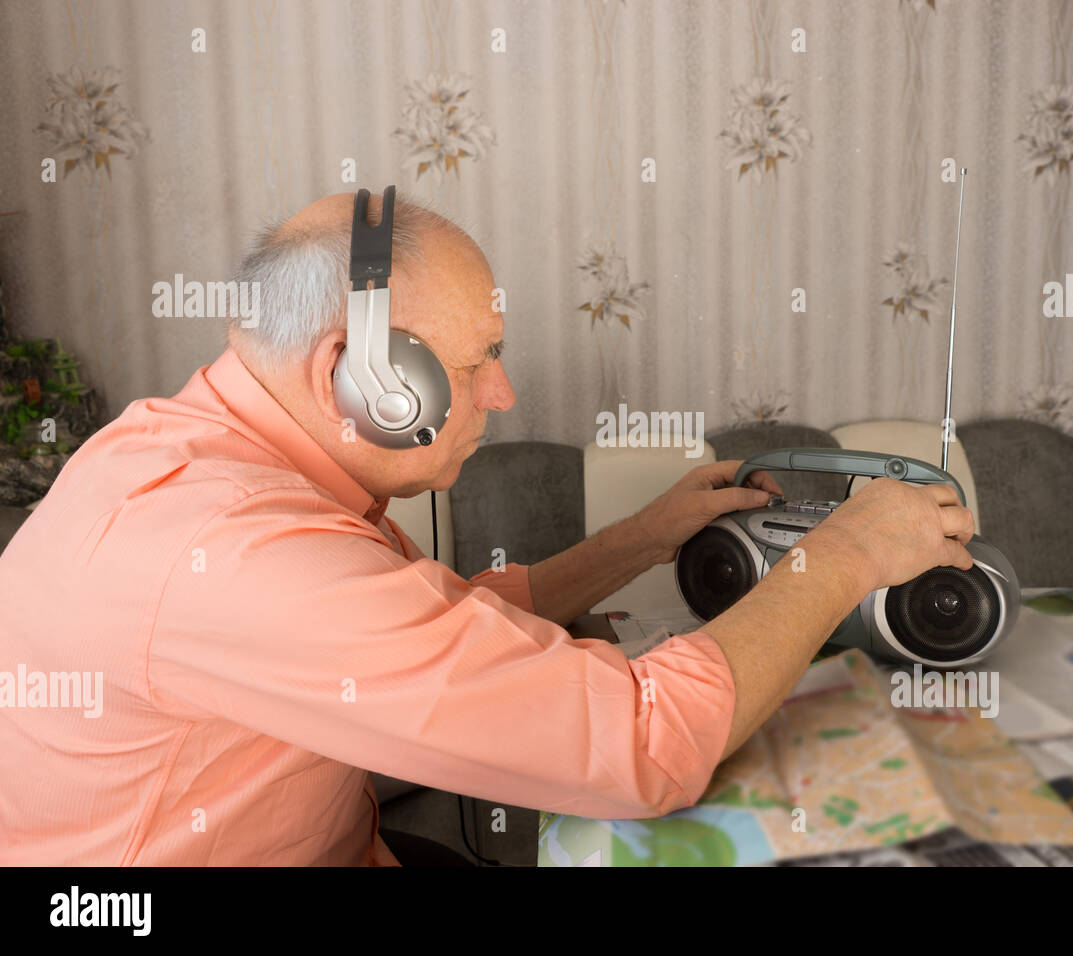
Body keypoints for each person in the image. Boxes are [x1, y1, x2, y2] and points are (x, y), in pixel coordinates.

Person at [0, 191, 973, 865]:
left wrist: (639, 535)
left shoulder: (195, 451)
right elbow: (639, 748)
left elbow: (428, 627)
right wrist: (845, 553)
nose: (502, 392)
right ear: (358, 373)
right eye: (477, 363)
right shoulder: (234, 551)